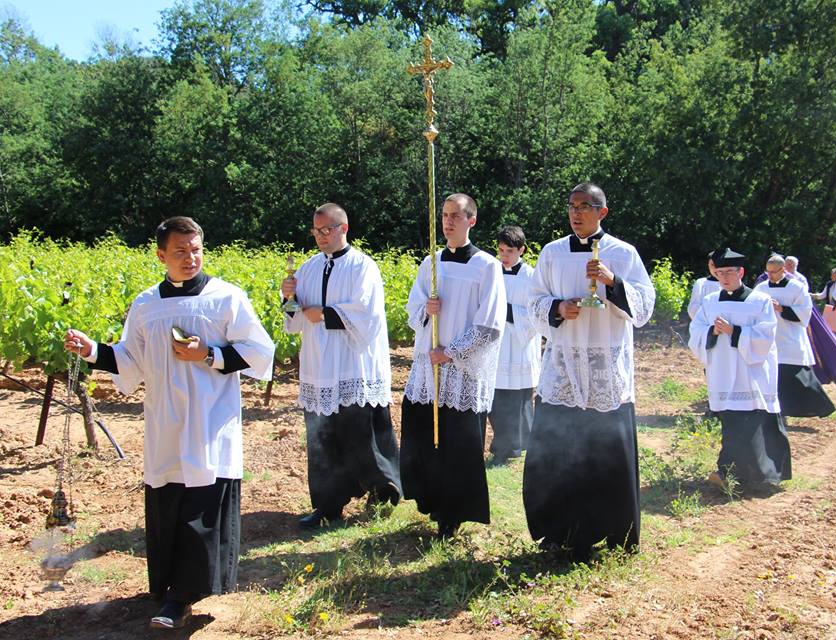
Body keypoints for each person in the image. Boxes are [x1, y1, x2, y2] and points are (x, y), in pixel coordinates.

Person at [64, 217, 275, 630]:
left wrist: (209, 355)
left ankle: (182, 597)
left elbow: (259, 351)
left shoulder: (226, 298)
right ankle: (167, 589)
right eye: (180, 251)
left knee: (201, 502)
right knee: (168, 504)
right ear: (161, 255)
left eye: (196, 249)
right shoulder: (147, 305)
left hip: (210, 420)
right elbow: (130, 360)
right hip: (165, 422)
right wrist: (93, 351)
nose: (190, 257)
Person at [523, 182, 655, 560]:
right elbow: (533, 301)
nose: (576, 213)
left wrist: (613, 282)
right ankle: (557, 529)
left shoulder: (623, 253)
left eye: (585, 206)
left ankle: (612, 531)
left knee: (604, 454)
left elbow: (644, 309)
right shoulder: (551, 253)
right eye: (571, 206)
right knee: (557, 452)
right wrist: (557, 309)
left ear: (602, 212)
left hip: (603, 373)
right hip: (563, 367)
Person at [282, 203, 401, 528]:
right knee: (322, 437)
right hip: (320, 366)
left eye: (326, 230)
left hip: (353, 363)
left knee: (360, 435)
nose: (320, 236)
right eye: (316, 231)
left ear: (343, 228)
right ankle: (327, 504)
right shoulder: (306, 269)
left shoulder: (363, 267)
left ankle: (384, 492)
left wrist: (322, 312)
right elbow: (293, 322)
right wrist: (288, 297)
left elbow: (367, 314)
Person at [400, 193, 506, 539]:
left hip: (461, 369)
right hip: (429, 368)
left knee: (457, 444)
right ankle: (431, 499)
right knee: (425, 437)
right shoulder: (431, 262)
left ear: (471, 221)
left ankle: (454, 513)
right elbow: (413, 309)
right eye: (444, 215)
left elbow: (490, 324)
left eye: (455, 216)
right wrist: (425, 310)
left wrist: (451, 352)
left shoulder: (486, 266)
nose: (448, 221)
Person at [689, 248, 790, 489]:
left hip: (750, 373)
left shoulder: (759, 301)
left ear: (741, 272)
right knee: (731, 420)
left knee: (750, 421)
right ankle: (730, 473)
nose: (724, 278)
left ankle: (756, 475)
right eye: (719, 273)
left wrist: (735, 332)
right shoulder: (710, 301)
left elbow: (766, 336)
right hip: (723, 371)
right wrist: (711, 331)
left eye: (729, 273)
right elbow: (695, 331)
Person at [756, 255, 835, 420]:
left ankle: (821, 406)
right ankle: (777, 412)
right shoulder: (761, 288)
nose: (769, 275)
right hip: (770, 339)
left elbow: (805, 313)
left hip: (791, 339)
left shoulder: (797, 288)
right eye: (767, 272)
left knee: (798, 378)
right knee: (773, 378)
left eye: (774, 272)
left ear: (783, 270)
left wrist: (781, 308)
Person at [488, 225, 541, 465]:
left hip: (520, 344)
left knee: (519, 398)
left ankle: (518, 444)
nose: (504, 255)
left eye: (509, 250)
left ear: (522, 250)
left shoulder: (532, 277)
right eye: (500, 250)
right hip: (497, 344)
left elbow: (536, 313)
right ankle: (502, 445)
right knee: (497, 398)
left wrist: (506, 311)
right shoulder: (492, 273)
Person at [687, 253, 722, 321]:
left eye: (718, 264)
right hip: (703, 326)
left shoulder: (731, 284)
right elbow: (693, 308)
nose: (715, 268)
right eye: (712, 264)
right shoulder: (701, 283)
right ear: (708, 265)